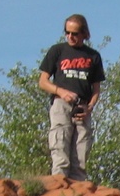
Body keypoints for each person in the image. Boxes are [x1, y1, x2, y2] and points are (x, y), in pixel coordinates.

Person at [38, 15, 105, 181]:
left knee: (81, 148)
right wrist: (60, 92)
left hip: (82, 106)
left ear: (84, 34)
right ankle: (59, 184)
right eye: (67, 32)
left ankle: (78, 189)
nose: (70, 37)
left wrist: (89, 108)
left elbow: (96, 89)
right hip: (61, 103)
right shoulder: (57, 51)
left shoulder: (93, 56)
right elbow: (42, 82)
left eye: (74, 33)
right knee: (59, 142)